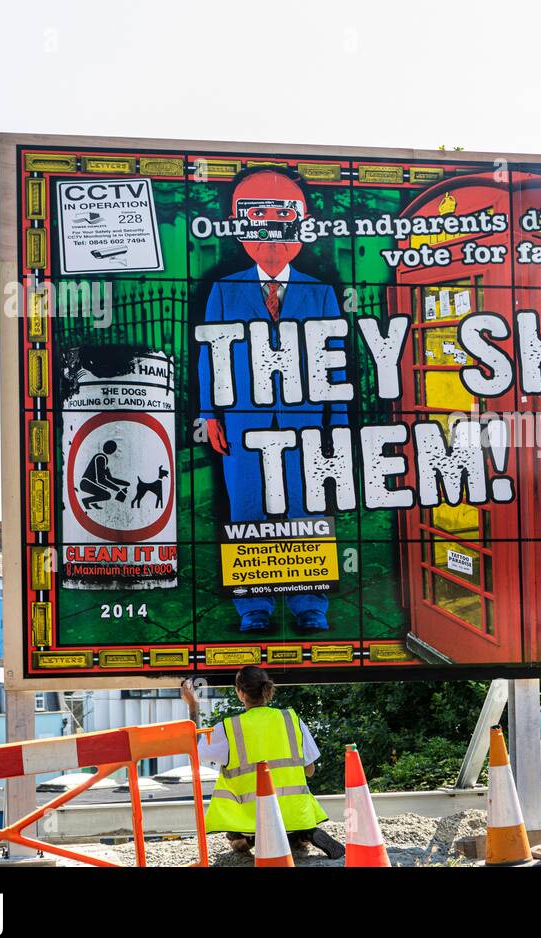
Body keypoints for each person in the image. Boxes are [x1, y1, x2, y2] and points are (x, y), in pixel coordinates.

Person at [195, 166, 347, 634]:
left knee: (306, 508)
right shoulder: (225, 289)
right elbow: (209, 356)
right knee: (246, 507)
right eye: (262, 235)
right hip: (242, 422)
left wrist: (335, 424)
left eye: (284, 235)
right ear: (245, 240)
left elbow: (334, 359)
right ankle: (254, 608)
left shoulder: (320, 292)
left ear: (299, 239)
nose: (273, 246)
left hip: (306, 423)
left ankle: (310, 607)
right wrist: (208, 415)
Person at [180, 666, 343, 860]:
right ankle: (304, 834)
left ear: (240, 693)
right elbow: (310, 770)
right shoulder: (291, 719)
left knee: (235, 841)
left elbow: (193, 751)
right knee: (293, 828)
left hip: (251, 819)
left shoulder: (229, 728)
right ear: (267, 690)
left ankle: (249, 840)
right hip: (295, 814)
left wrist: (193, 706)